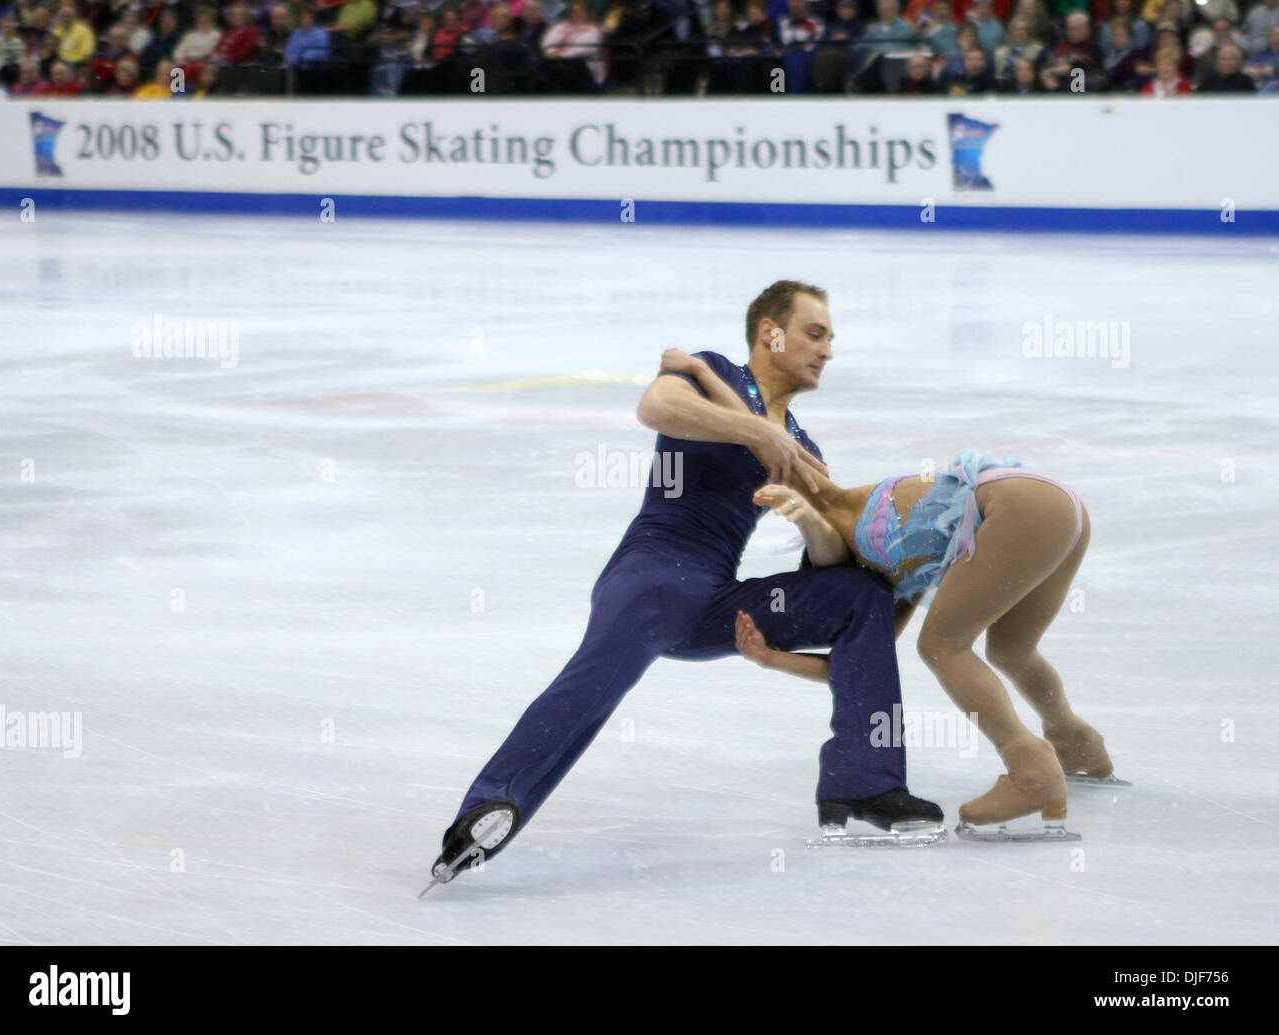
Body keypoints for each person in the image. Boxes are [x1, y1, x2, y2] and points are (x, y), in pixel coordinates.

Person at [428, 282, 943, 885]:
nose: (827, 350)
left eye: (830, 338)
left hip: (717, 603)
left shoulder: (802, 446)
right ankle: (490, 807)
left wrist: (809, 522)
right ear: (770, 333)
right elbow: (656, 408)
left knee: (862, 594)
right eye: (814, 333)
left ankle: (866, 784)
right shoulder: (714, 375)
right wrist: (756, 431)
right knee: (593, 685)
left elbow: (829, 563)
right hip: (654, 569)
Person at [660, 353, 1117, 840]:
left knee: (942, 646)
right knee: (1010, 649)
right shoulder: (891, 583)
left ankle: (1031, 773)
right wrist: (771, 658)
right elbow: (859, 665)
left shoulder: (827, 498)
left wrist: (706, 375)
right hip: (1052, 503)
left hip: (1014, 503)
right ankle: (1076, 742)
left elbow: (758, 430)